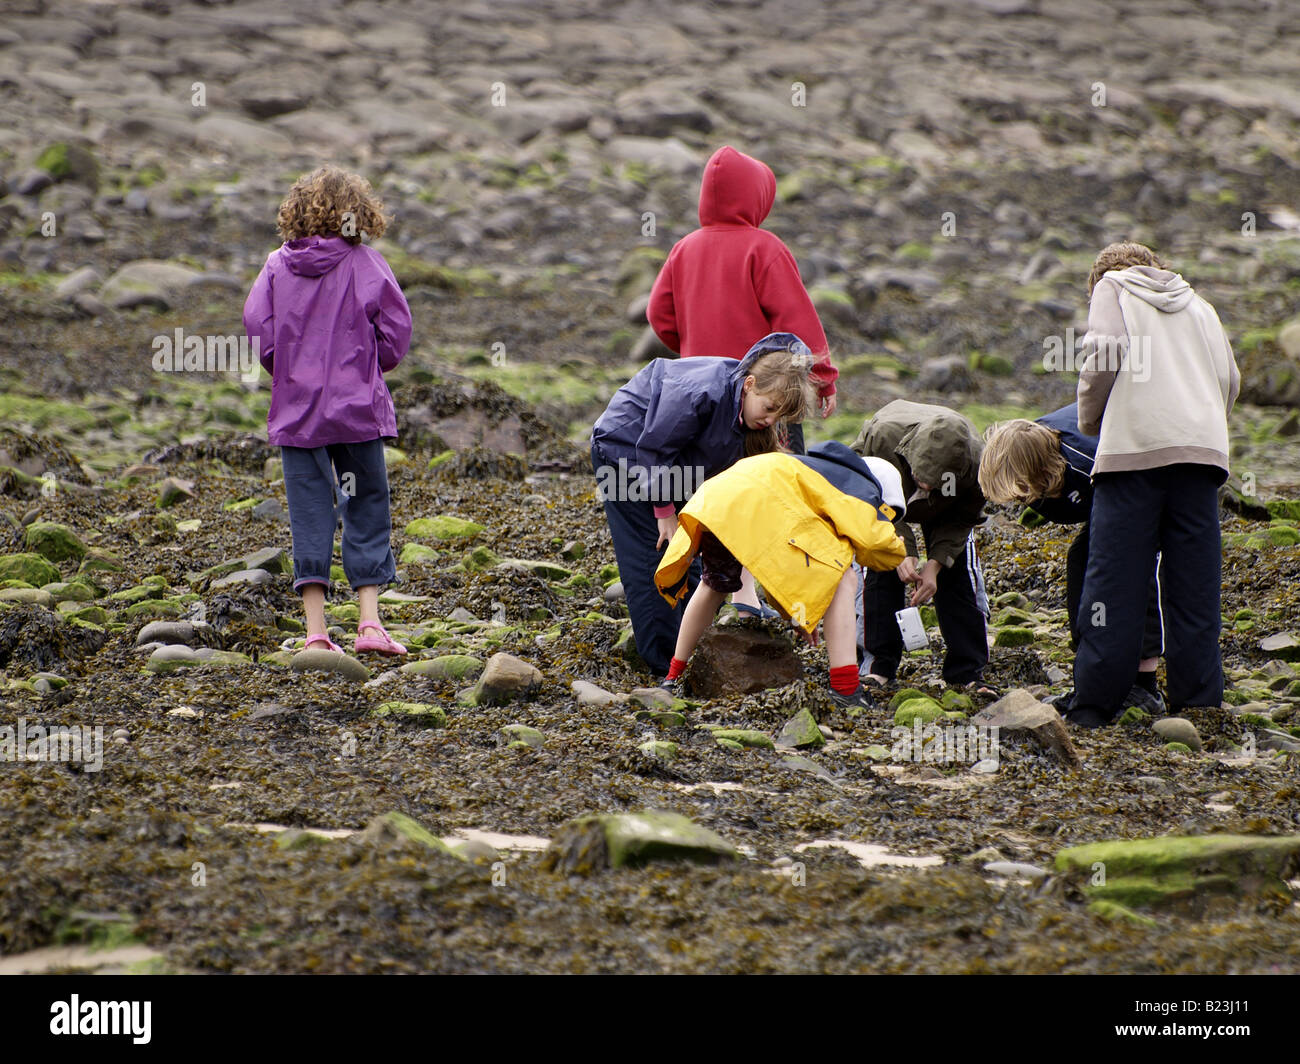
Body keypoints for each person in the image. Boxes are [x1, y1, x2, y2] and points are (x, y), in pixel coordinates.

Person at [647, 144, 838, 611]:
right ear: (756, 199)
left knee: (715, 491)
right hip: (766, 392)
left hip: (702, 397)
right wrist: (823, 379)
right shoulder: (764, 247)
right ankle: (758, 590)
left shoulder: (684, 248)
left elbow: (658, 315)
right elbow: (798, 323)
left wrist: (693, 347)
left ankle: (717, 589)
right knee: (768, 489)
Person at [1066, 242, 1239, 727]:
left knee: (1114, 584)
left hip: (1133, 456)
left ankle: (1095, 704)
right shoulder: (1199, 304)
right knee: (1194, 586)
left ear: (1100, 276)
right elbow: (1230, 376)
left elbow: (1105, 350)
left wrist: (1090, 417)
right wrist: (1204, 426)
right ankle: (1199, 703)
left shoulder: (1112, 287)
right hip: (1200, 457)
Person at [243, 165, 411, 657]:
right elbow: (396, 334)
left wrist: (291, 371)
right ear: (359, 214)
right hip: (356, 410)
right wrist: (365, 368)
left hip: (298, 413)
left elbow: (261, 331)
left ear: (295, 212)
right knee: (366, 506)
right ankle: (369, 623)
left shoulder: (276, 265)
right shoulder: (366, 263)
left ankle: (316, 631)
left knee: (310, 511)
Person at [591, 333, 812, 676]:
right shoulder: (702, 391)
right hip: (625, 454)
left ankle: (687, 652)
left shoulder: (749, 416)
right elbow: (654, 447)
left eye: (779, 415)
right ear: (750, 384)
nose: (770, 420)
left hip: (680, 463)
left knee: (690, 554)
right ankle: (663, 667)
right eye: (769, 408)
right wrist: (664, 511)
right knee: (656, 558)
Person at [654, 441, 907, 709]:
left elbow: (780, 564)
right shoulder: (858, 487)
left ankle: (673, 677)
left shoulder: (813, 471)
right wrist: (899, 551)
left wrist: (798, 616)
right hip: (755, 500)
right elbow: (873, 543)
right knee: (844, 578)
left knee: (714, 584)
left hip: (719, 496)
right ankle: (846, 690)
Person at [979, 404, 1165, 712]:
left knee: (1134, 572)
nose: (1022, 502)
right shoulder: (1021, 448)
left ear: (1037, 470)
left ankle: (1146, 685)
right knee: (1080, 561)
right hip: (1104, 499)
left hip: (1143, 482)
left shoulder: (1085, 462)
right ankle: (1090, 677)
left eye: (1022, 493)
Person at [851, 399, 991, 692]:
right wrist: (903, 548)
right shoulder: (883, 438)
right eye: (920, 480)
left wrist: (935, 564)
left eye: (933, 484)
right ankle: (877, 666)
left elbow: (963, 519)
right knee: (882, 559)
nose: (924, 489)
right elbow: (871, 499)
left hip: (950, 506)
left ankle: (967, 671)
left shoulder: (980, 465)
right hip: (884, 496)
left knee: (958, 568)